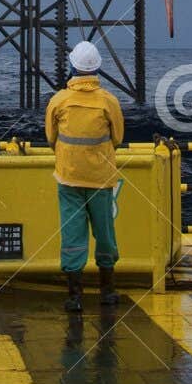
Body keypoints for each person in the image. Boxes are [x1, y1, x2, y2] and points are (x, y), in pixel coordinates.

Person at [44, 40, 125, 311]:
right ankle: (108, 291)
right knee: (105, 233)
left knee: (72, 234)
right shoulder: (109, 101)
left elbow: (51, 137)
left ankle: (74, 296)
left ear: (72, 67)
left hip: (69, 178)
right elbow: (117, 138)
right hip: (101, 179)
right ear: (97, 68)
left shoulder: (59, 100)